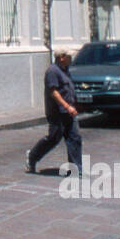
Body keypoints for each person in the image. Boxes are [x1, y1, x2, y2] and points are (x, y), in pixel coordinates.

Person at [25, 49, 83, 177]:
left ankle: (76, 168)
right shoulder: (52, 71)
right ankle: (32, 156)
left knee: (74, 138)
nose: (71, 59)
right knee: (53, 139)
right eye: (69, 56)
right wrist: (67, 106)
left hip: (68, 112)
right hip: (57, 112)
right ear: (61, 57)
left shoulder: (65, 70)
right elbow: (54, 92)